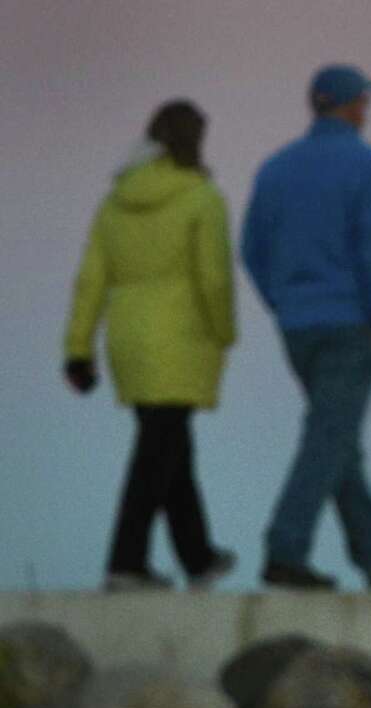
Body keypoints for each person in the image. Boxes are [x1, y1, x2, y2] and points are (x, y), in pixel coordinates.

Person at [242, 64, 371, 590]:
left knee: (334, 434)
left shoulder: (275, 169)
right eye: (364, 101)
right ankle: (285, 550)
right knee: (328, 437)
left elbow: (253, 249)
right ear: (353, 105)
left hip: (298, 326)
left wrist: (284, 302)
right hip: (352, 324)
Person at [63, 100, 237, 592]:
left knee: (170, 447)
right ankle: (126, 561)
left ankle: (198, 557)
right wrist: (224, 333)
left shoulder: (114, 201)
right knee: (157, 451)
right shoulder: (204, 198)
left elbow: (91, 281)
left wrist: (78, 348)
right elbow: (215, 280)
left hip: (128, 341)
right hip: (182, 339)